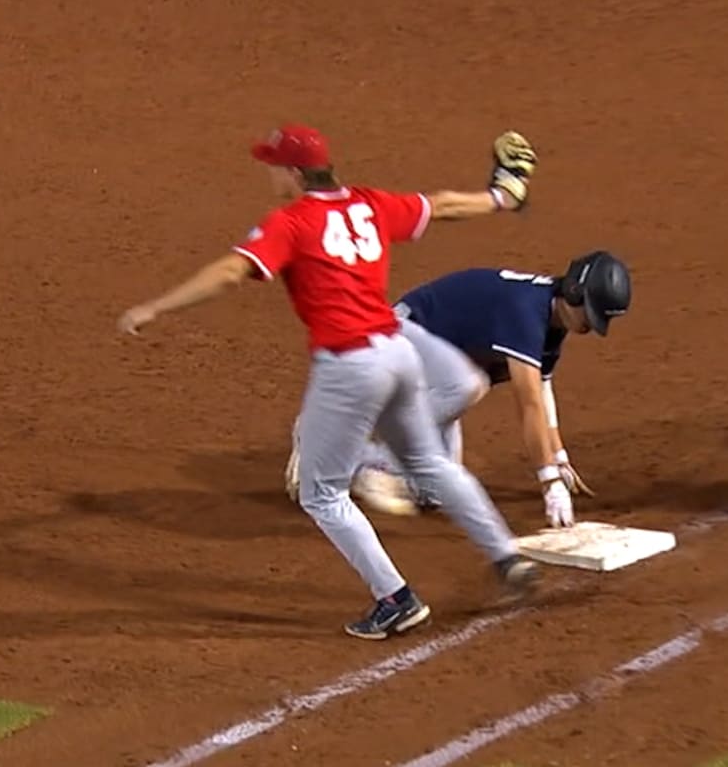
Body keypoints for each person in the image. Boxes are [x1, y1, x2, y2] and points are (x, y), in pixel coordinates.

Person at [117, 123, 541, 640]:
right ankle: (506, 556)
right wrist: (502, 196)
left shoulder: (292, 221)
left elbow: (232, 272)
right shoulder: (370, 204)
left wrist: (155, 306)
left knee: (322, 493)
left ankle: (396, 599)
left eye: (274, 165)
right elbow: (443, 204)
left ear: (295, 173)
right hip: (399, 353)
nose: (269, 173)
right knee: (429, 461)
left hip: (350, 367)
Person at [283, 252, 632, 529]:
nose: (589, 325)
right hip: (396, 340)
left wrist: (559, 456)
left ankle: (347, 451)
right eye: (589, 313)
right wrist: (548, 482)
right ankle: (334, 445)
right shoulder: (526, 312)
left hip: (435, 367)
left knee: (434, 490)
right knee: (469, 386)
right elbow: (529, 406)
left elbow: (543, 391)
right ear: (573, 291)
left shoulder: (551, 318)